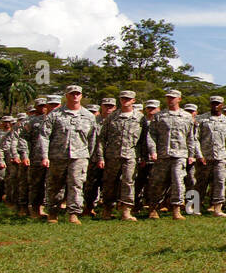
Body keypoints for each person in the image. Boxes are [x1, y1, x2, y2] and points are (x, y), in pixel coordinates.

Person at [41, 84, 97, 224]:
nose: (75, 96)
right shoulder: (55, 114)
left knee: (76, 184)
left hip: (79, 156)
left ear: (81, 96)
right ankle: (53, 213)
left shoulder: (89, 116)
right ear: (66, 96)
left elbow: (92, 139)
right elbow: (44, 136)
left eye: (78, 94)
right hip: (57, 156)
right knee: (55, 185)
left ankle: (73, 213)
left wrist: (88, 156)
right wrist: (45, 156)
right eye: (72, 94)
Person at [147, 90, 196, 219]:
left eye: (173, 98)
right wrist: (153, 151)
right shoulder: (159, 116)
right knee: (158, 182)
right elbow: (151, 135)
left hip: (180, 154)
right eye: (168, 98)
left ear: (179, 99)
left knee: (178, 182)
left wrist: (191, 154)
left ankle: (176, 209)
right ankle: (153, 208)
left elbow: (191, 137)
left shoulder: (186, 116)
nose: (170, 100)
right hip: (163, 154)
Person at [98, 91, 145, 221]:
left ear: (134, 100)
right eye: (123, 98)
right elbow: (102, 138)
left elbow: (144, 140)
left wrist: (143, 157)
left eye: (128, 99)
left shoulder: (140, 118)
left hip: (131, 156)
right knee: (109, 183)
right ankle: (107, 210)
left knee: (128, 182)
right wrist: (101, 157)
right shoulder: (112, 117)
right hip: (112, 155)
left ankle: (126, 211)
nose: (125, 100)